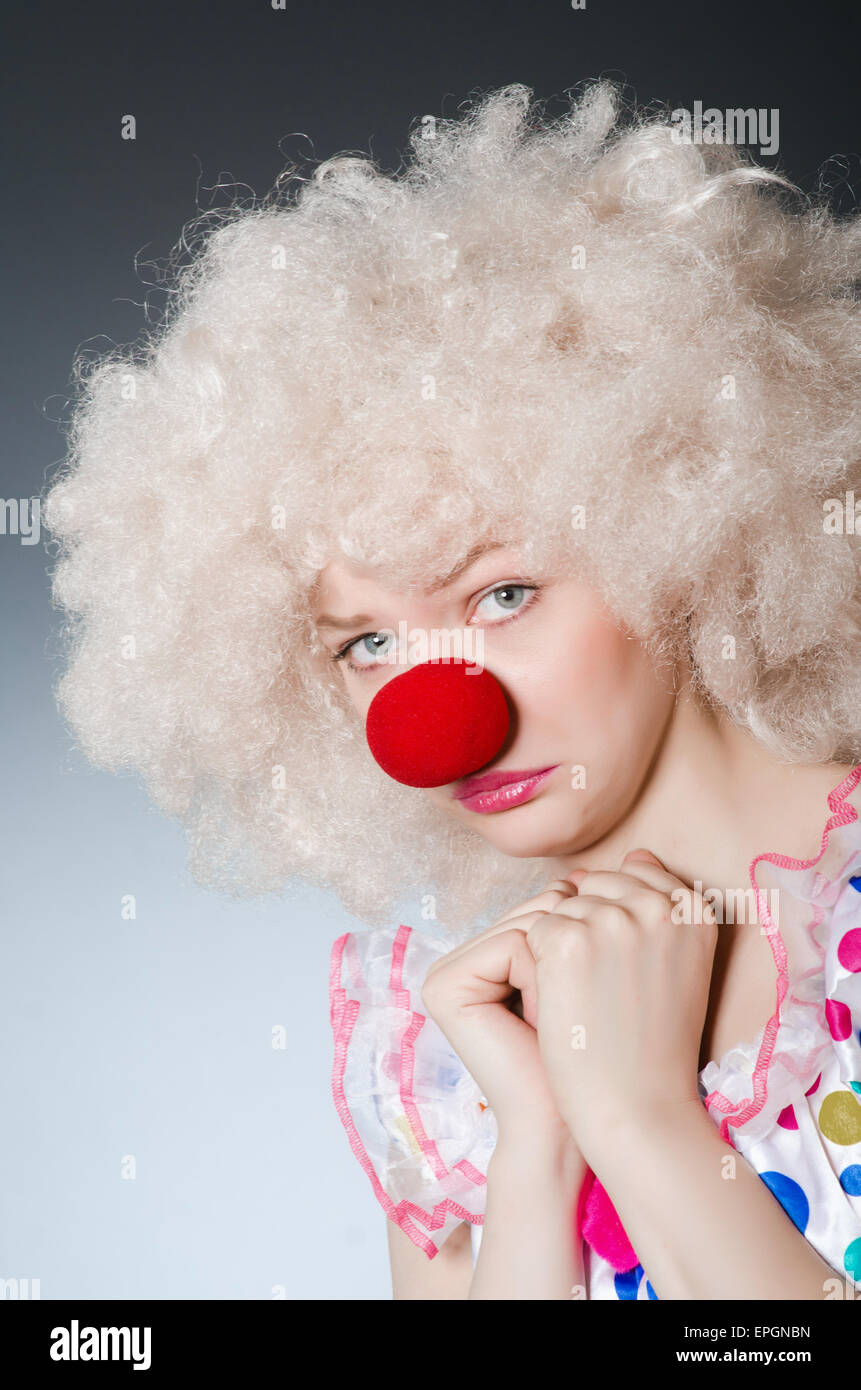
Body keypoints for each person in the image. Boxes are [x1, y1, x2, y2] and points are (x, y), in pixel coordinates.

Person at [44, 80, 861, 1300]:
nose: (433, 718)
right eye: (364, 644)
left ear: (688, 531)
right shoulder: (439, 1033)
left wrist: (641, 1120)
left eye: (500, 595)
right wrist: (538, 1150)